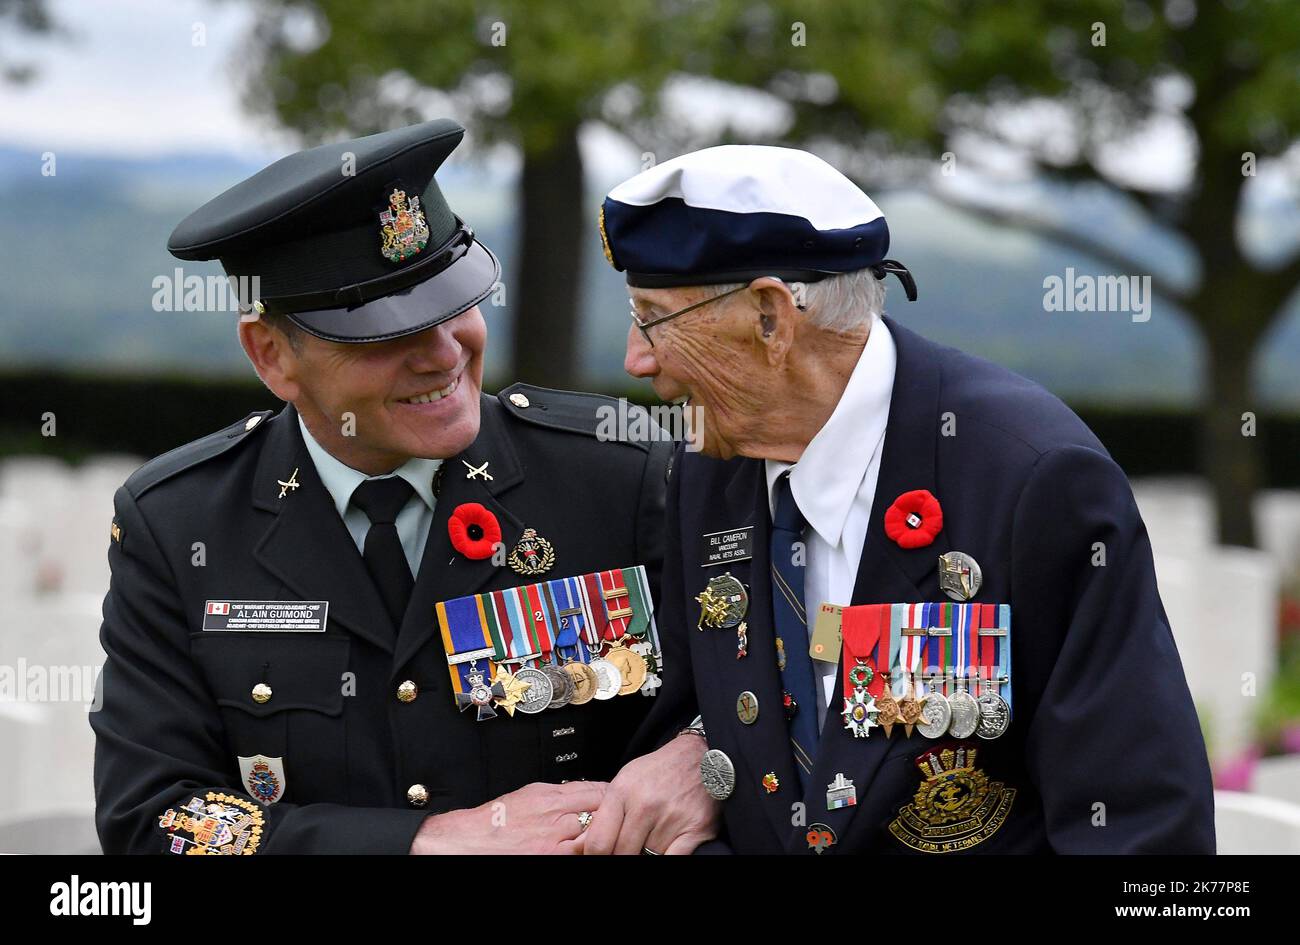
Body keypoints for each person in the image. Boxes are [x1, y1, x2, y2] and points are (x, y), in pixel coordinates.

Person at [594, 145, 1215, 854]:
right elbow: (705, 737)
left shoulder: (1032, 479)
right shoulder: (710, 472)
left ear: (770, 317)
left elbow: (1145, 833)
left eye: (655, 319)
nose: (636, 360)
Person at [90, 119, 677, 854]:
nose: (442, 354)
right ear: (271, 355)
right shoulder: (179, 527)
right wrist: (425, 844)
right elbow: (157, 817)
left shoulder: (616, 474)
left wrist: (700, 757)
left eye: (451, 302)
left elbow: (748, 701)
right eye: (384, 330)